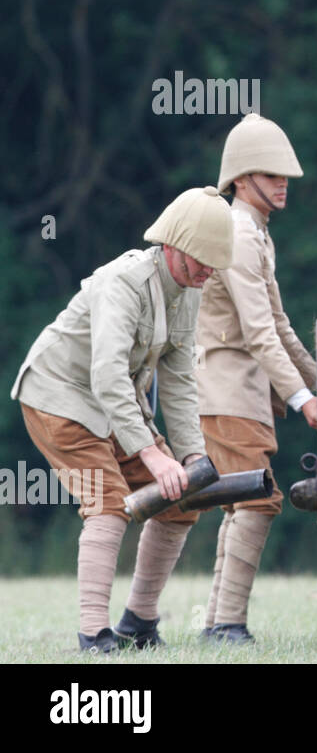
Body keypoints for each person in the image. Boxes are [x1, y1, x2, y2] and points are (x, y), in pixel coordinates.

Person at [12, 186, 233, 652]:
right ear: (173, 244)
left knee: (180, 502)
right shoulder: (124, 282)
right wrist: (152, 455)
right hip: (59, 397)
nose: (208, 270)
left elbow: (178, 379)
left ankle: (139, 624)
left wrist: (191, 456)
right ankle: (94, 635)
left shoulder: (190, 289)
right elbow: (108, 374)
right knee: (109, 503)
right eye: (200, 259)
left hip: (112, 405)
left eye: (215, 261)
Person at [196, 112, 317, 644]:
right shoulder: (241, 236)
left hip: (241, 389)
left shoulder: (254, 233)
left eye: (284, 174)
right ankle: (225, 625)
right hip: (228, 386)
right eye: (269, 174)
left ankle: (217, 623)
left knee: (244, 502)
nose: (282, 182)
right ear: (241, 180)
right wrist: (305, 398)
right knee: (259, 500)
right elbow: (260, 333)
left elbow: (281, 326)